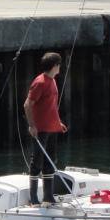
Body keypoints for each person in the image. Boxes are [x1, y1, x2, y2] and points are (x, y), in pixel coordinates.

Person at [23, 52, 67, 206]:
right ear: (54, 66)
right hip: (41, 128)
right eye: (59, 64)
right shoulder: (40, 82)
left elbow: (51, 106)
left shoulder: (53, 81)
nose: (60, 67)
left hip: (52, 127)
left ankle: (48, 197)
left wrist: (58, 121)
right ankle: (33, 198)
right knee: (37, 162)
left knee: (50, 162)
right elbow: (28, 104)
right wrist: (32, 125)